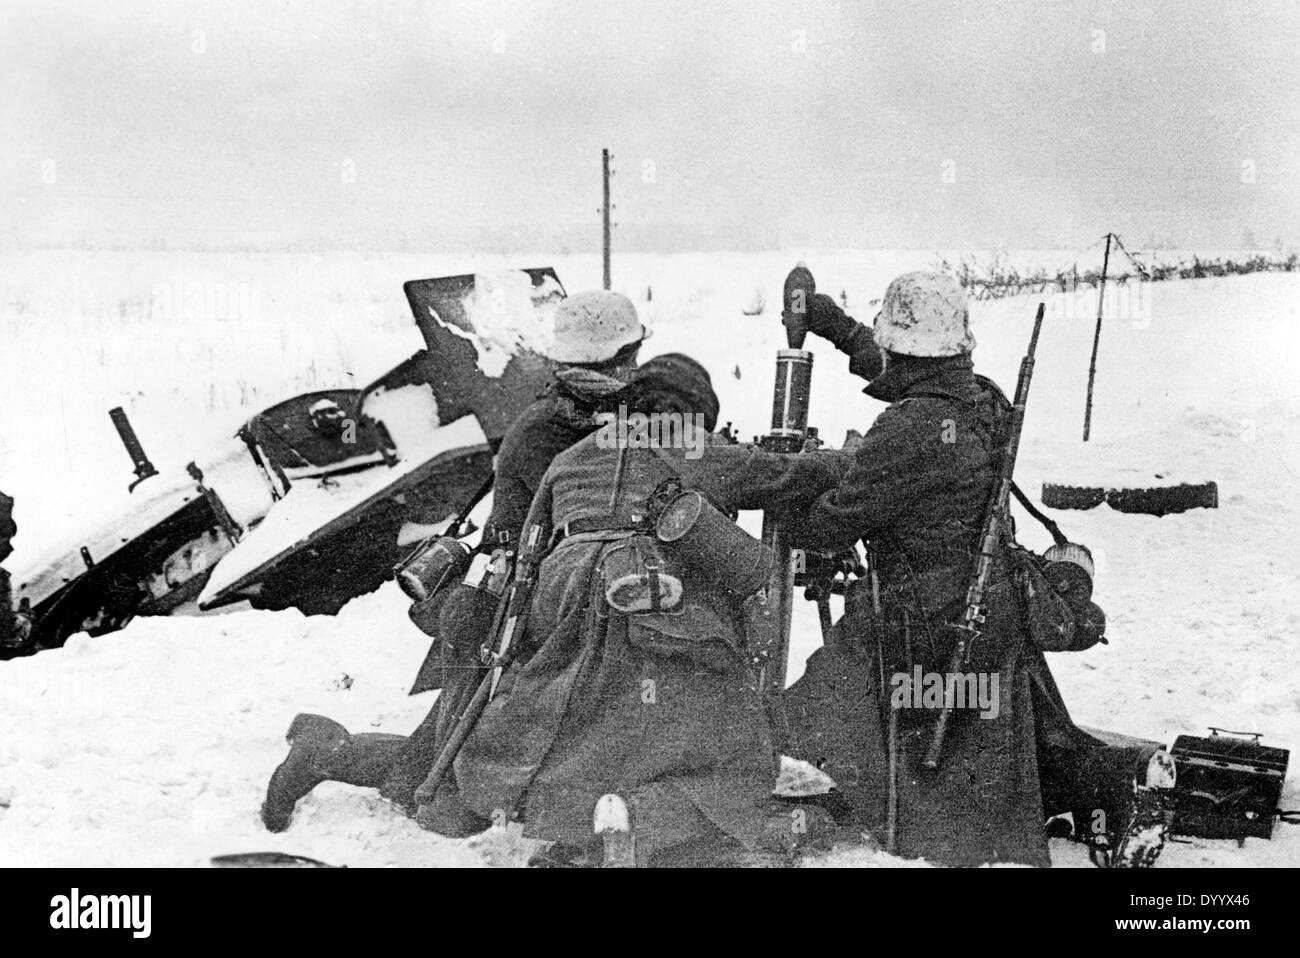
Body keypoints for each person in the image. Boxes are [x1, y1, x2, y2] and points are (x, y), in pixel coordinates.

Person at [781, 272, 1174, 868]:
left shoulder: (912, 427)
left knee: (809, 720)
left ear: (907, 349)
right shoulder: (978, 396)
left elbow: (829, 524)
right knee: (1008, 739)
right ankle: (1118, 779)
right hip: (989, 603)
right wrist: (831, 322)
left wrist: (811, 475)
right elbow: (888, 367)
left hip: (919, 620)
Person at [261, 290, 650, 834]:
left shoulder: (608, 418)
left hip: (554, 607)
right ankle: (320, 752)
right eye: (625, 358)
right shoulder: (548, 432)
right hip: (504, 614)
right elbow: (548, 529)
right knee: (437, 789)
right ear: (621, 357)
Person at [445, 355, 847, 866]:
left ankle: (580, 807)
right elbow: (781, 476)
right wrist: (841, 460)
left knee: (576, 698)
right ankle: (649, 816)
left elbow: (529, 540)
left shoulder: (572, 455)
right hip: (651, 589)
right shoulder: (688, 441)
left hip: (564, 584)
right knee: (728, 732)